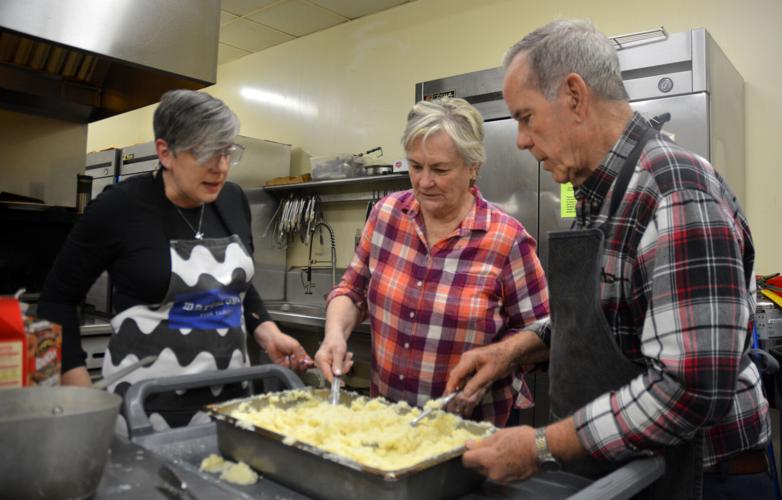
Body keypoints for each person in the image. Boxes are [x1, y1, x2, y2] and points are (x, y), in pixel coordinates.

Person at [445, 19, 773, 499]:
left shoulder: (674, 189)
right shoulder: (598, 194)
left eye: (526, 116)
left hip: (704, 479)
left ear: (575, 96)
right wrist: (507, 354)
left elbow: (690, 389)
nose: (519, 140)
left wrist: (539, 445)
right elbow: (605, 322)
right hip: (634, 473)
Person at [38, 89, 313, 429]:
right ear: (165, 152)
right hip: (144, 408)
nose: (221, 167)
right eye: (206, 153)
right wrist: (79, 393)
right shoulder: (120, 208)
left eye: (227, 152)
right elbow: (57, 301)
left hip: (229, 404)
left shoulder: (231, 199)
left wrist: (266, 330)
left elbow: (236, 285)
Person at [314, 97, 549, 426]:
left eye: (440, 169)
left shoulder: (507, 240)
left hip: (469, 429)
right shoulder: (386, 215)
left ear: (473, 168)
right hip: (388, 422)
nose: (424, 182)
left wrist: (500, 358)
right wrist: (335, 334)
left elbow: (542, 334)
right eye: (415, 166)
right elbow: (352, 289)